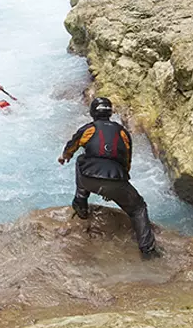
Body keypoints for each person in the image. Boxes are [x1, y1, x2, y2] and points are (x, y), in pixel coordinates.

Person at [58, 97, 158, 258]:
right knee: (138, 208)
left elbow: (72, 146)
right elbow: (127, 160)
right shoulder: (122, 132)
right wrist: (116, 185)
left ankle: (80, 202)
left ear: (92, 112)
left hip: (88, 177)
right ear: (110, 112)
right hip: (117, 180)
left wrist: (65, 156)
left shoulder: (88, 129)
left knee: (80, 160)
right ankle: (148, 251)